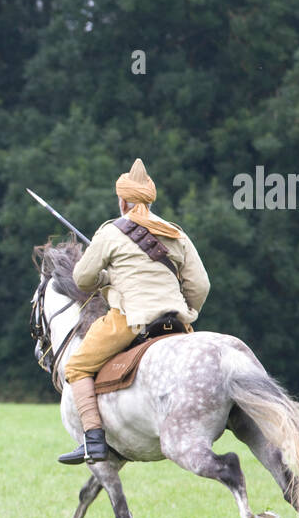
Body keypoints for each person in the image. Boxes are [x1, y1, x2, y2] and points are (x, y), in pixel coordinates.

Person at [58, 158, 210, 464]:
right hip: (175, 321)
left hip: (131, 319)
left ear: (122, 200)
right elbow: (201, 284)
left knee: (76, 367)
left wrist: (107, 278)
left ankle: (93, 441)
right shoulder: (176, 233)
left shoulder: (110, 232)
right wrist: (187, 311)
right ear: (149, 199)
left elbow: (82, 279)